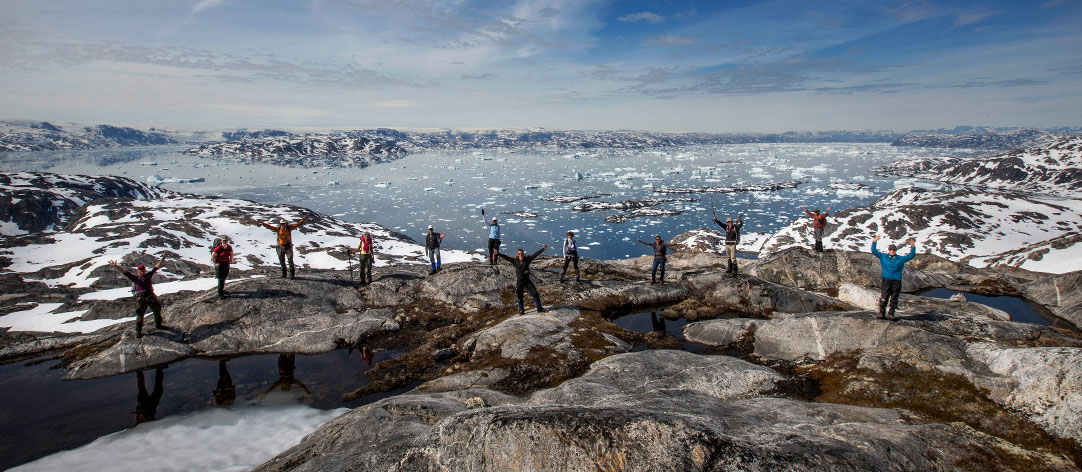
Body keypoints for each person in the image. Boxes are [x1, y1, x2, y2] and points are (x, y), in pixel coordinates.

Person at [109, 255, 166, 338]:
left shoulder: (148, 275)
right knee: (140, 314)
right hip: (141, 298)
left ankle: (158, 325)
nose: (142, 271)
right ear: (138, 271)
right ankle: (138, 330)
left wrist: (163, 259)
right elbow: (124, 272)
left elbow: (156, 267)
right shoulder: (135, 278)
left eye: (143, 269)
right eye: (140, 270)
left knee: (157, 310)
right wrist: (115, 266)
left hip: (150, 296)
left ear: (145, 270)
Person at [871, 235, 917, 320]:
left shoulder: (900, 259)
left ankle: (891, 313)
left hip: (896, 281)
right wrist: (875, 241)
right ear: (888, 250)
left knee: (894, 297)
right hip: (886, 280)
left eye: (894, 250)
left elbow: (911, 256)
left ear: (895, 250)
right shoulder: (883, 256)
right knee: (884, 296)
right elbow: (873, 251)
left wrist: (913, 246)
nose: (892, 251)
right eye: (891, 249)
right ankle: (881, 312)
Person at [497, 245, 548, 314]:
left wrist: (543, 249)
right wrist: (498, 254)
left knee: (535, 293)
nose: (520, 255)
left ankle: (539, 308)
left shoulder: (527, 259)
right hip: (520, 281)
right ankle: (521, 311)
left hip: (527, 280)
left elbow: (535, 255)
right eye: (519, 254)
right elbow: (506, 257)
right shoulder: (515, 261)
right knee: (519, 295)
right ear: (517, 255)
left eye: (521, 254)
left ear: (523, 254)